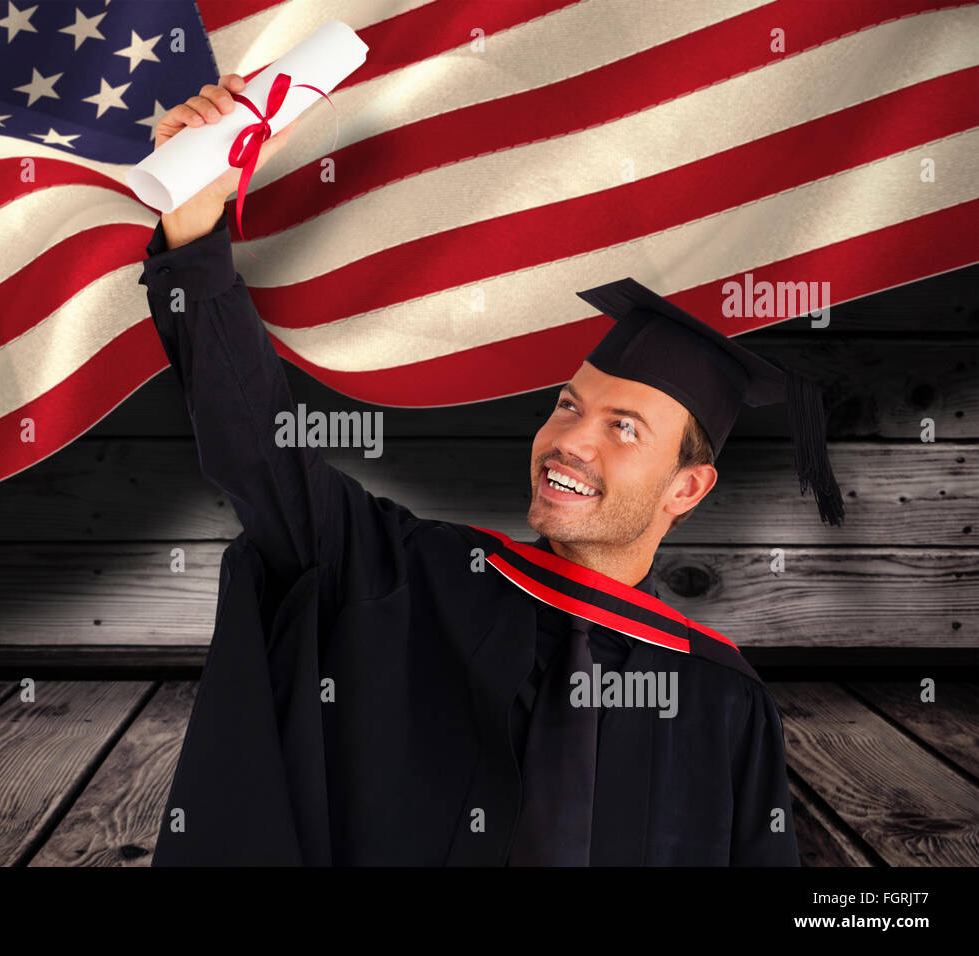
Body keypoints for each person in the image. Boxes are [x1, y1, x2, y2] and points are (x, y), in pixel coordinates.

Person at [140, 76, 839, 866]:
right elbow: (254, 447)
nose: (573, 441)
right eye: (569, 407)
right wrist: (194, 234)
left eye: (623, 428)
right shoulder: (404, 578)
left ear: (686, 488)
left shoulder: (723, 700)